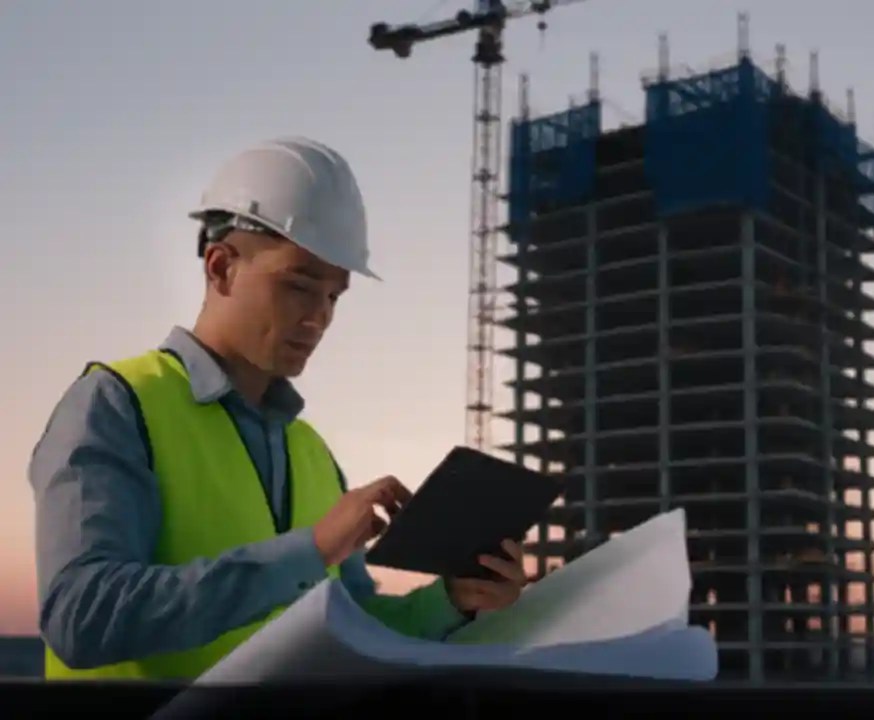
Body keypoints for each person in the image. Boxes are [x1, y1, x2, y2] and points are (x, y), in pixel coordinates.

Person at [28, 136, 528, 681]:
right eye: (298, 286)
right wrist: (312, 550)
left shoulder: (310, 452)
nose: (319, 317)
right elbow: (82, 617)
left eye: (334, 296)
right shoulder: (116, 404)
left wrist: (452, 600)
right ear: (221, 268)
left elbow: (356, 626)